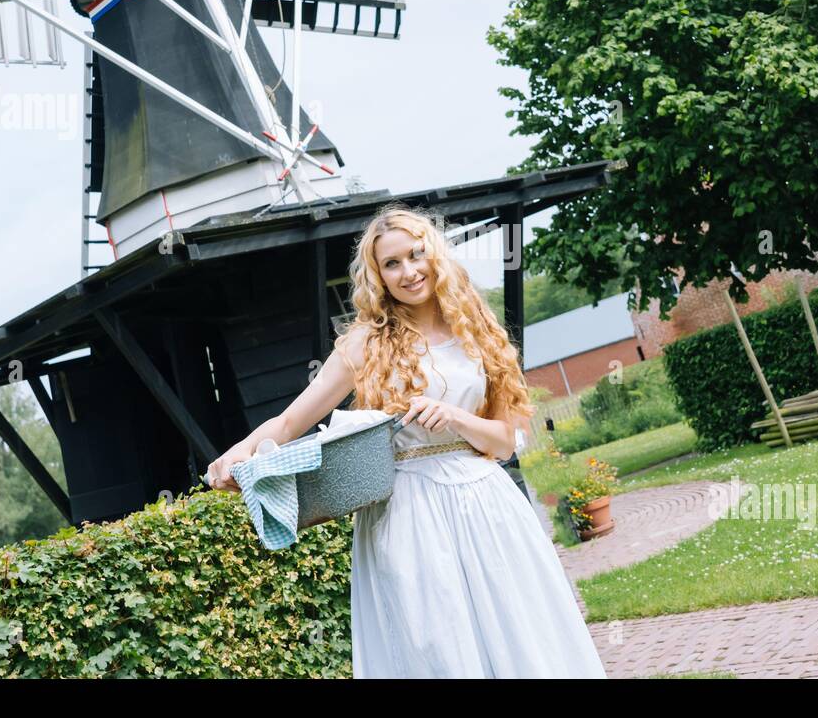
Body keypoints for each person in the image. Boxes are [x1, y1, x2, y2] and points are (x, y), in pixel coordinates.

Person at [205, 202, 607, 678]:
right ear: (377, 277)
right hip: (409, 513)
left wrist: (455, 417)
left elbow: (502, 443)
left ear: (434, 253)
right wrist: (236, 454)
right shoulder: (364, 343)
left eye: (415, 255)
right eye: (391, 264)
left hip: (486, 504)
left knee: (520, 632)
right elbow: (292, 421)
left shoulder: (479, 329)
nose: (408, 272)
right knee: (435, 647)